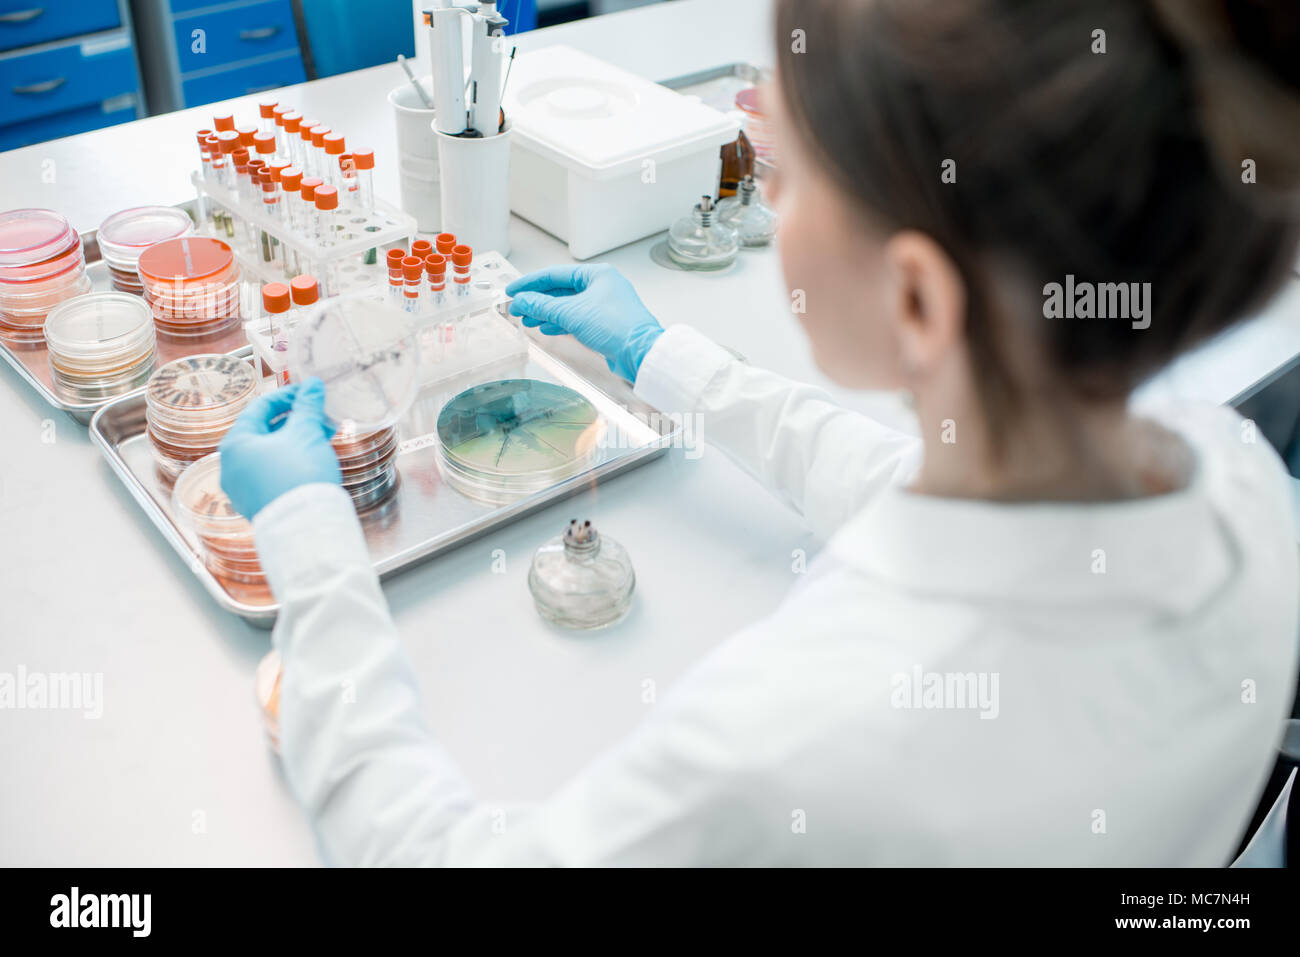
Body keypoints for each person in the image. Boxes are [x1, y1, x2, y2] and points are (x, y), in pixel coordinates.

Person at [220, 0, 1300, 865]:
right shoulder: (1243, 485)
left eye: (778, 170)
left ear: (916, 300)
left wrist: (315, 554)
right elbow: (935, 508)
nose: (758, 191)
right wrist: (664, 357)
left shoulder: (790, 751)